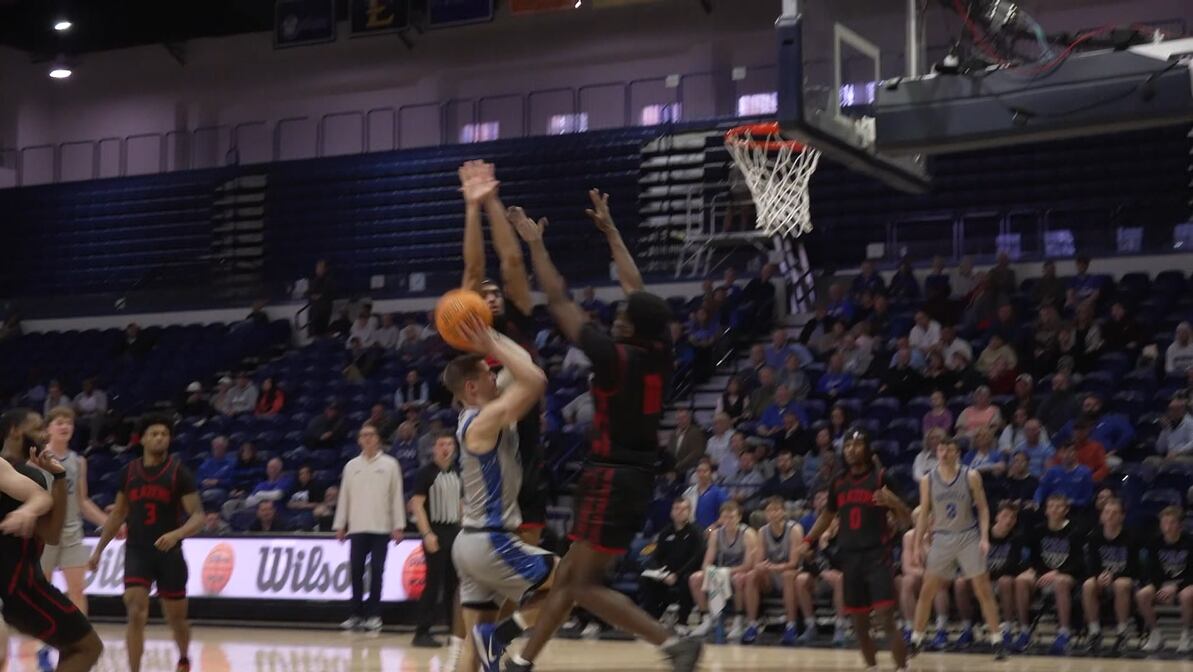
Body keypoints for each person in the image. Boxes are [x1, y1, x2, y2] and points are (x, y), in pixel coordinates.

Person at [509, 189, 702, 672]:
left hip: (612, 478)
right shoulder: (659, 350)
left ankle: (672, 642)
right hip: (627, 476)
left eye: (621, 317)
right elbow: (636, 286)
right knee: (569, 577)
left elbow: (558, 300)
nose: (616, 317)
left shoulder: (616, 359)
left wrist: (535, 245)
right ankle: (521, 662)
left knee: (582, 585)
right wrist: (611, 231)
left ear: (631, 328)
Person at [441, 321, 558, 672]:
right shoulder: (483, 421)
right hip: (491, 541)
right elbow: (536, 381)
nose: (495, 376)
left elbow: (524, 364)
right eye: (487, 374)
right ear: (472, 386)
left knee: (472, 648)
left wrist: (491, 337)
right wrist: (491, 343)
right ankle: (503, 634)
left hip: (470, 543)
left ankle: (490, 638)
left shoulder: (481, 410)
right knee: (571, 583)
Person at [459, 161, 550, 554]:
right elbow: (473, 267)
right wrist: (472, 208)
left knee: (528, 554)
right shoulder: (468, 330)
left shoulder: (519, 320)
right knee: (484, 556)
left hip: (524, 446)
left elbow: (511, 261)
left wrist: (493, 200)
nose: (492, 296)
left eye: (496, 292)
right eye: (485, 294)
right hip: (486, 451)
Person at [89, 414, 203, 672]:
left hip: (169, 553)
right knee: (135, 611)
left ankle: (184, 658)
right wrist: (98, 550)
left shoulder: (179, 473)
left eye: (164, 434)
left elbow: (198, 517)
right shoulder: (129, 472)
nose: (160, 438)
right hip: (137, 551)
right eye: (154, 434)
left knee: (176, 618)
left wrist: (176, 534)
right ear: (142, 439)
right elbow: (118, 514)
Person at [799, 429, 912, 672]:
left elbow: (907, 519)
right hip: (849, 558)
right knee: (859, 623)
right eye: (848, 445)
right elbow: (827, 515)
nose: (852, 449)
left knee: (885, 617)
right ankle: (872, 667)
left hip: (877, 555)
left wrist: (894, 503)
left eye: (857, 444)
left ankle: (903, 668)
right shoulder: (838, 482)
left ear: (867, 448)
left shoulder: (882, 477)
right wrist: (808, 540)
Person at [1, 408, 104, 672]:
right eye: (38, 428)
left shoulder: (33, 474)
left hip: (23, 584)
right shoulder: (10, 469)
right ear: (15, 431)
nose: (45, 434)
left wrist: (58, 478)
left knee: (85, 645)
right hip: (16, 586)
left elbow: (50, 534)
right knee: (87, 646)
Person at [909, 438, 1006, 659]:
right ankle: (916, 639)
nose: (944, 454)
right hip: (942, 537)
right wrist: (916, 545)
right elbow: (923, 514)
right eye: (941, 449)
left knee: (983, 589)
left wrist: (984, 537)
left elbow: (983, 509)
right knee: (927, 591)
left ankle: (997, 641)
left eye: (949, 450)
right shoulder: (927, 480)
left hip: (967, 536)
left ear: (957, 453)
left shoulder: (971, 475)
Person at [35, 408, 108, 670]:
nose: (65, 426)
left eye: (69, 423)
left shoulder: (78, 461)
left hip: (72, 532)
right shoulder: (37, 458)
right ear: (48, 428)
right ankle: (44, 645)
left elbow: (83, 501)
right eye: (59, 422)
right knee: (41, 593)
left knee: (77, 591)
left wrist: (108, 523)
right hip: (43, 534)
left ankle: (78, 643)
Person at [333, 422, 406, 633]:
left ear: (378, 439)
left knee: (377, 572)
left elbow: (396, 496)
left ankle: (374, 615)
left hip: (381, 528)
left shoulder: (390, 464)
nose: (367, 438)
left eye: (371, 434)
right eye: (363, 435)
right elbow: (344, 496)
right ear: (359, 440)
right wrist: (340, 525)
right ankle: (355, 614)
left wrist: (398, 525)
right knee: (356, 571)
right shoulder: (351, 466)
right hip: (357, 527)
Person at [409, 431, 464, 651]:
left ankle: (454, 630)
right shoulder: (425, 473)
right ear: (434, 448)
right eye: (442, 444)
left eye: (449, 444)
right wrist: (426, 533)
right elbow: (417, 505)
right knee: (433, 584)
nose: (446, 448)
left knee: (454, 585)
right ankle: (422, 632)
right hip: (436, 532)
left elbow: (461, 504)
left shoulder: (457, 472)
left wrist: (465, 529)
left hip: (455, 532)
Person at [1012, 494, 1084, 654]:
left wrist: (1057, 572)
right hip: (1043, 575)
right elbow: (1032, 558)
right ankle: (1024, 631)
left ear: (1066, 510)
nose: (1054, 510)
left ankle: (1064, 633)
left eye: (1058, 506)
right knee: (1021, 580)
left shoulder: (1075, 530)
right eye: (1051, 506)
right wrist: (1032, 570)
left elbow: (1079, 562)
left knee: (1060, 581)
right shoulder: (1039, 530)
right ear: (1046, 510)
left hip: (1068, 574)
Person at [687, 500, 760, 640]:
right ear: (720, 519)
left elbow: (748, 565)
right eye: (725, 517)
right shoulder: (715, 534)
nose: (728, 521)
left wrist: (725, 572)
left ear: (739, 518)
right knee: (695, 579)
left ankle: (739, 620)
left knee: (738, 579)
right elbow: (706, 562)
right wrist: (711, 572)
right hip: (722, 571)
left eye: (731, 517)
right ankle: (707, 618)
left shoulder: (748, 534)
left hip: (740, 572)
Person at [742, 497, 804, 646]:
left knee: (787, 575)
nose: (773, 513)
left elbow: (794, 563)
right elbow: (759, 561)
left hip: (791, 573)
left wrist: (773, 567)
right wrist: (761, 567)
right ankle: (752, 624)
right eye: (769, 510)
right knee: (751, 575)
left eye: (776, 509)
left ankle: (791, 625)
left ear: (783, 512)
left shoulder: (794, 529)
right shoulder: (763, 531)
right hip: (772, 574)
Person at [1081, 496, 1138, 655]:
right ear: (1101, 516)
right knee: (1088, 584)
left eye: (1114, 513)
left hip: (1125, 579)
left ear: (1122, 516)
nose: (1110, 516)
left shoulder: (1131, 537)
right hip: (1103, 579)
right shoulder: (1094, 537)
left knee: (1121, 584)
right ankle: (1094, 632)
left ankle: (1122, 632)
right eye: (1107, 512)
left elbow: (1134, 569)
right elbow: (1091, 566)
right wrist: (1098, 576)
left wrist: (1114, 576)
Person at [1136, 505, 1193, 654]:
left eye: (1172, 522)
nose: (1168, 526)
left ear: (1180, 525)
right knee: (1142, 595)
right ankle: (1155, 633)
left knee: (1187, 595)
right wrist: (1160, 587)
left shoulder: (1189, 542)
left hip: (1186, 583)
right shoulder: (1155, 542)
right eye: (1165, 522)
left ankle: (1186, 634)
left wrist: (1176, 587)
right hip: (1163, 583)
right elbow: (1151, 572)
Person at [638, 499, 703, 625]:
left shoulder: (696, 532)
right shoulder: (665, 532)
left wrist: (676, 575)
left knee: (687, 580)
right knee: (645, 579)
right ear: (671, 512)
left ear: (689, 512)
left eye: (683, 509)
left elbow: (696, 558)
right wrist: (660, 573)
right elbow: (656, 556)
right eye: (676, 508)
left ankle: (682, 621)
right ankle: (652, 619)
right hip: (667, 573)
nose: (679, 512)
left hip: (686, 572)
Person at [1034, 443, 1094, 510]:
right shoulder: (1053, 471)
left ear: (1076, 453)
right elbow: (1041, 489)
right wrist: (1037, 501)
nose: (1067, 454)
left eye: (1070, 451)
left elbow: (1087, 498)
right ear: (1059, 454)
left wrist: (1073, 502)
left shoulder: (1085, 472)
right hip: (1052, 508)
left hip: (1074, 509)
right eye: (1064, 452)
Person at [684, 459, 729, 530]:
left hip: (712, 532)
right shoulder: (689, 492)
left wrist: (711, 529)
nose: (701, 474)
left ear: (711, 473)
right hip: (692, 531)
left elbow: (727, 514)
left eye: (705, 471)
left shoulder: (718, 493)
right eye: (699, 471)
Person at [306, 259, 335, 337]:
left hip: (324, 311)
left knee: (321, 332)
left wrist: (319, 296)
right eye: (317, 268)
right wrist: (312, 296)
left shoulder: (329, 280)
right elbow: (308, 293)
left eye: (320, 268)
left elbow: (328, 293)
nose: (318, 270)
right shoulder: (314, 280)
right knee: (313, 332)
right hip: (314, 311)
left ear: (325, 269)